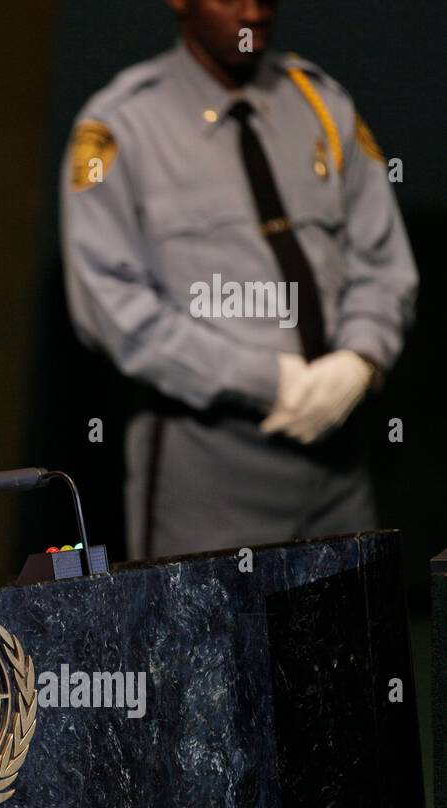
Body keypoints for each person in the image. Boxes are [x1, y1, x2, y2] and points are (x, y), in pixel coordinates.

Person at [60, 0, 417, 559]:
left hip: (338, 457)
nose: (253, 11)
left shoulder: (320, 102)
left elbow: (380, 258)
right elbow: (110, 305)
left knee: (350, 636)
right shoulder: (124, 124)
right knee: (206, 641)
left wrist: (360, 358)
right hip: (208, 464)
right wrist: (265, 381)